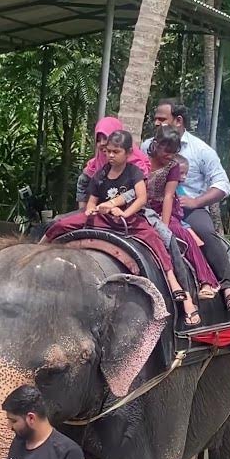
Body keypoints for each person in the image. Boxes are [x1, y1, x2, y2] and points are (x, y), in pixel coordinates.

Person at [45, 129, 201, 325]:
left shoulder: (134, 172)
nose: (110, 155)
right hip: (103, 218)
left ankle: (174, 282)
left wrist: (124, 213)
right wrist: (92, 210)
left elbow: (141, 198)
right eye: (108, 151)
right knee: (59, 225)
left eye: (115, 152)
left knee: (157, 239)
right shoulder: (101, 173)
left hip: (131, 220)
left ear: (128, 153)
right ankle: (36, 253)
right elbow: (91, 201)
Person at [144, 98, 230, 311]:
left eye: (162, 119)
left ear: (178, 121)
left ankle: (227, 287)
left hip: (189, 208)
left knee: (205, 233)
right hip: (150, 206)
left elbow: (222, 184)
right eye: (154, 119)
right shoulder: (147, 146)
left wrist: (196, 201)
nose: (156, 123)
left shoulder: (202, 151)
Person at [105, 125, 221, 303]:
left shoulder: (173, 166)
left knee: (179, 233)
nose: (169, 156)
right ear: (156, 145)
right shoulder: (141, 162)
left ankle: (205, 280)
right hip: (137, 207)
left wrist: (164, 225)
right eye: (166, 151)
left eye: (173, 152)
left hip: (163, 210)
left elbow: (168, 196)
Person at [75, 116, 151, 207]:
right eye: (98, 140)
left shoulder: (136, 168)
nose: (102, 143)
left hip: (129, 212)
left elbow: (139, 196)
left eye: (105, 138)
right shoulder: (95, 166)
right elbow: (87, 193)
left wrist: (113, 204)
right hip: (101, 212)